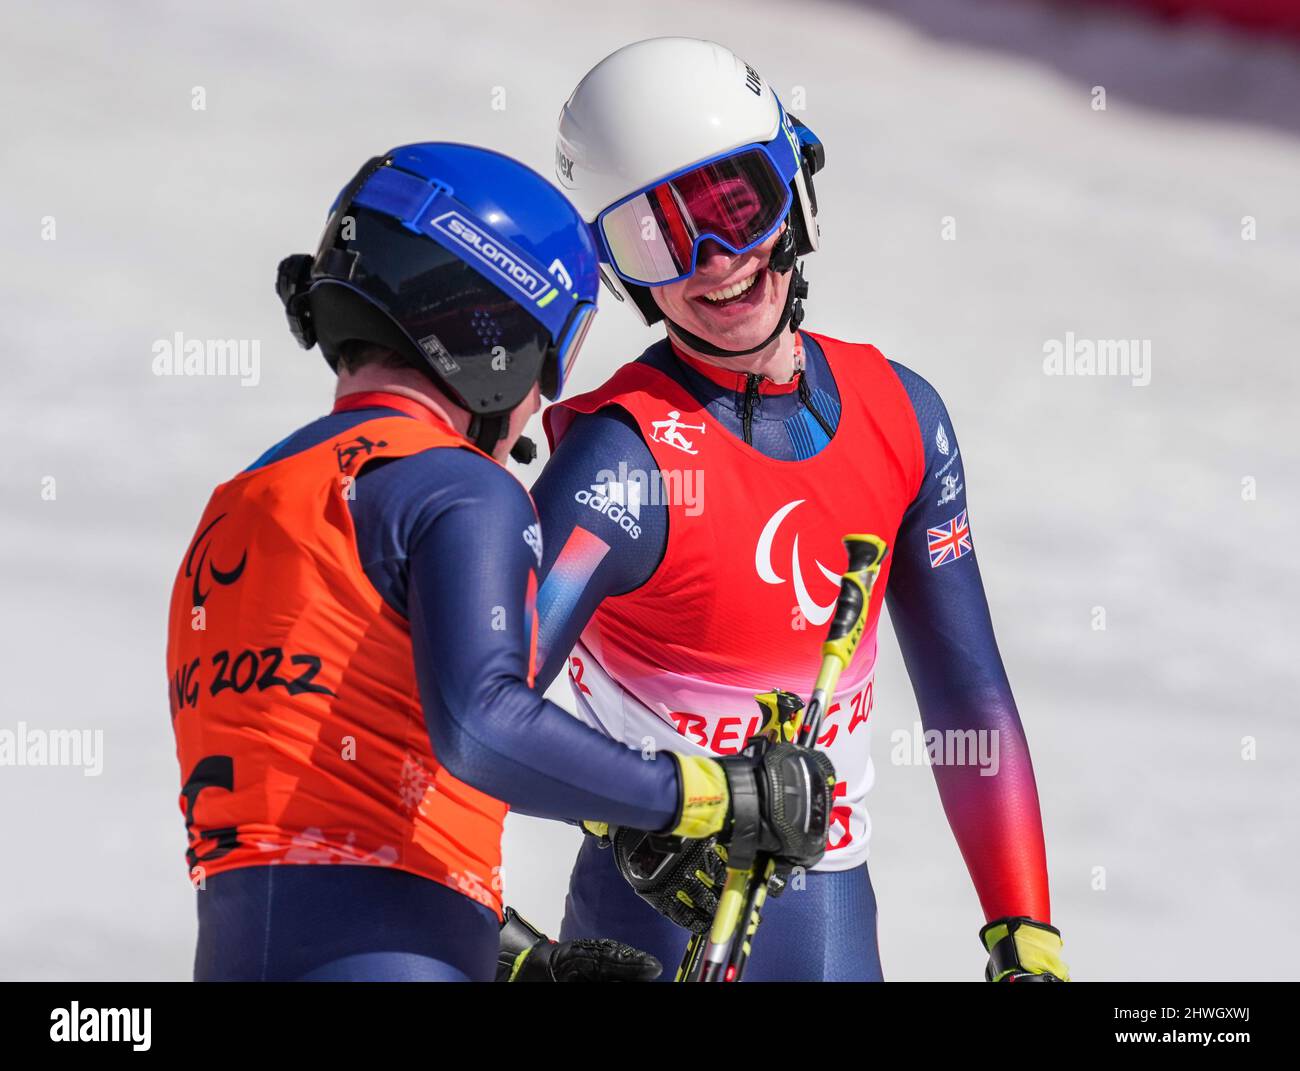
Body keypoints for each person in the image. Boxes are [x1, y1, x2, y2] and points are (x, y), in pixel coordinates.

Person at [164, 142, 835, 982]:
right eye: (551, 352)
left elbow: (319, 781)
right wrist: (709, 793)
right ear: (493, 332)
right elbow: (481, 725)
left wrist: (514, 957)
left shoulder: (241, 500)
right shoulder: (457, 487)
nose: (539, 404)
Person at [532, 38, 1070, 982]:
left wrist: (1021, 925)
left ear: (799, 187)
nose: (716, 262)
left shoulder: (902, 413)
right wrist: (630, 816)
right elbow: (465, 712)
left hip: (832, 917)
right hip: (649, 922)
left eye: (739, 203)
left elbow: (966, 700)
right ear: (620, 271)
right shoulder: (618, 461)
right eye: (658, 237)